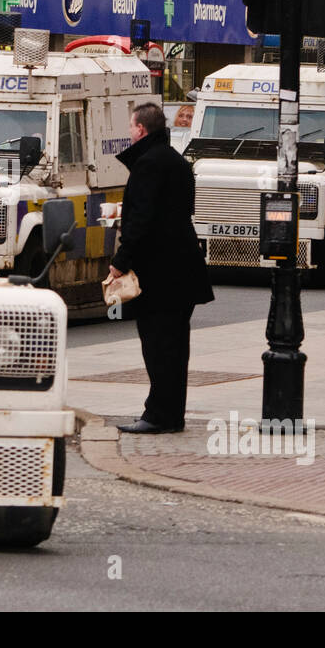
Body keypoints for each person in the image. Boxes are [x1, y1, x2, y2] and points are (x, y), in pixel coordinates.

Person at [109, 102, 214, 434]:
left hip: (160, 272)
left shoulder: (148, 164)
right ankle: (171, 414)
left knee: (157, 346)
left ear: (140, 129)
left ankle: (157, 415)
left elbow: (141, 221)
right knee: (175, 346)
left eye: (130, 127)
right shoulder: (177, 162)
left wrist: (119, 263)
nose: (129, 133)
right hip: (183, 269)